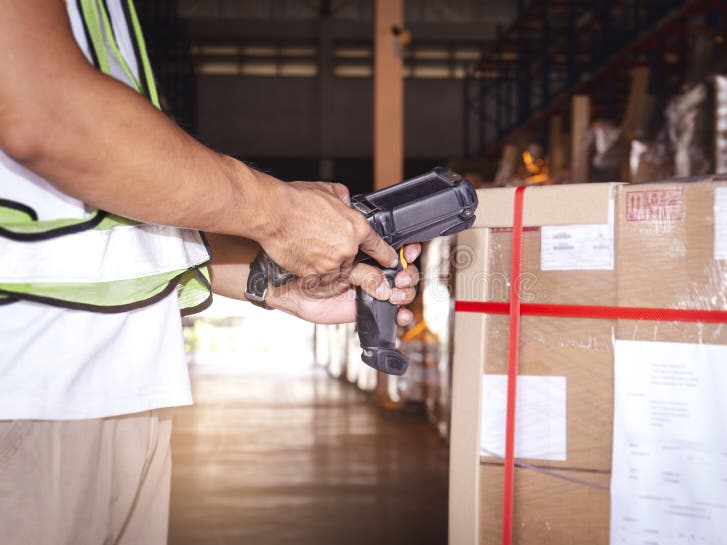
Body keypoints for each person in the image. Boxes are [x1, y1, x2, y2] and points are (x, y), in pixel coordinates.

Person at [0, 1, 421, 544]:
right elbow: (41, 112)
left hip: (118, 392)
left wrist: (272, 282)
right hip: (34, 384)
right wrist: (279, 212)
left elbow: (112, 219)